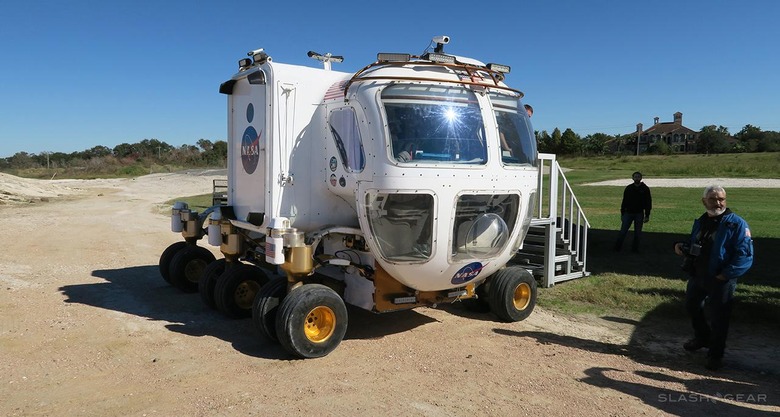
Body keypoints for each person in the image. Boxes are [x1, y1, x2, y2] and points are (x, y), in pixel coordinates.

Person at [674, 185, 753, 371]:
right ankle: (703, 337)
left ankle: (715, 355)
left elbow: (745, 255)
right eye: (713, 199)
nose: (718, 203)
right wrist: (679, 246)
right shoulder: (701, 221)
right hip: (699, 274)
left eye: (721, 199)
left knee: (719, 317)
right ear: (704, 201)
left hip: (722, 279)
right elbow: (695, 244)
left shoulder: (737, 224)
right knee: (692, 306)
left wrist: (725, 274)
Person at [614, 171, 652, 252]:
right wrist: (622, 212)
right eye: (635, 177)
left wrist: (647, 215)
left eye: (638, 177)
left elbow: (648, 202)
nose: (637, 178)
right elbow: (624, 201)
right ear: (632, 178)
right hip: (628, 213)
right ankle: (617, 248)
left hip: (639, 213)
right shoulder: (629, 188)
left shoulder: (645, 189)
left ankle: (635, 249)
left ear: (641, 178)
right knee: (623, 231)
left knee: (638, 233)